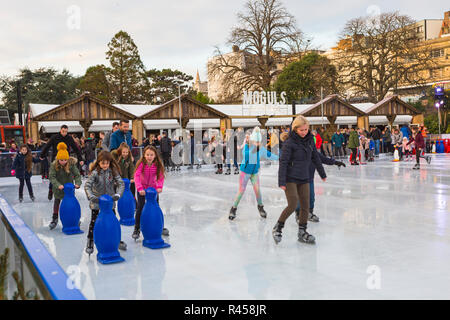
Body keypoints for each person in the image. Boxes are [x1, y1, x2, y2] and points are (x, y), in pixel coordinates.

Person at [273, 115, 326, 244]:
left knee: (305, 206)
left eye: (306, 129)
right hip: (290, 178)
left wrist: (322, 173)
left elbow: (316, 158)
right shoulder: (289, 143)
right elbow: (283, 162)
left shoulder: (309, 141)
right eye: (301, 130)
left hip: (304, 177)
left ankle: (302, 232)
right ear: (295, 129)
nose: (304, 132)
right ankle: (278, 227)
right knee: (292, 204)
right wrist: (282, 181)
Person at [229, 127, 278, 220]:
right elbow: (246, 155)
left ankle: (260, 207)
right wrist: (247, 144)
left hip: (254, 173)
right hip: (245, 172)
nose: (258, 143)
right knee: (241, 191)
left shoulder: (261, 149)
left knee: (257, 190)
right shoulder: (247, 148)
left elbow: (271, 155)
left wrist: (280, 156)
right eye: (256, 141)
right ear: (252, 141)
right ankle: (233, 209)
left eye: (259, 141)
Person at [84, 151, 126, 255]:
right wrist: (91, 196)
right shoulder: (95, 173)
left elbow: (121, 183)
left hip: (109, 203)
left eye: (107, 163)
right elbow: (87, 185)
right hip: (97, 203)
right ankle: (90, 240)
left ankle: (117, 239)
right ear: (98, 162)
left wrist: (117, 195)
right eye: (103, 163)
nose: (105, 165)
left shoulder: (113, 171)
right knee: (94, 222)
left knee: (113, 222)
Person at [39, 125, 84, 200]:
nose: (64, 133)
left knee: (67, 175)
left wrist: (80, 159)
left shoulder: (69, 138)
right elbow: (48, 146)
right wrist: (42, 155)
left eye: (66, 132)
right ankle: (51, 190)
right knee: (54, 175)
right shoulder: (55, 137)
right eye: (63, 131)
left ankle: (68, 191)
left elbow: (76, 148)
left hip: (66, 160)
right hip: (56, 160)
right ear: (60, 130)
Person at [132, 146, 168, 240]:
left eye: (151, 155)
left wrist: (159, 187)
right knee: (140, 208)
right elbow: (137, 176)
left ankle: (160, 226)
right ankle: (137, 228)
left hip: (153, 190)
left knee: (156, 208)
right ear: (144, 155)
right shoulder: (141, 164)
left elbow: (161, 177)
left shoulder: (157, 164)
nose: (149, 157)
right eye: (147, 154)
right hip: (142, 190)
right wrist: (139, 188)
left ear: (155, 155)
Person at [48, 143, 82, 230]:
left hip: (69, 189)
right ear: (58, 159)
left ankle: (75, 218)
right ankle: (54, 219)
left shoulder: (71, 164)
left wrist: (78, 183)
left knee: (71, 204)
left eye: (65, 160)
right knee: (57, 202)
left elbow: (77, 174)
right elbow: (52, 177)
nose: (63, 162)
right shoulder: (54, 165)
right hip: (58, 188)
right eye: (61, 160)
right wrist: (58, 185)